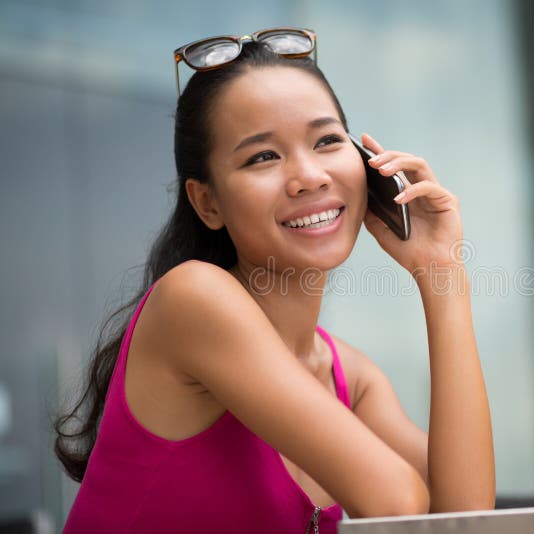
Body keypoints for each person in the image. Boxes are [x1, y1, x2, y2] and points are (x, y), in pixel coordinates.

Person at [55, 27, 495, 533]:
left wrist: (442, 273)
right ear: (208, 203)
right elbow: (398, 504)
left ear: (367, 165)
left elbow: (467, 520)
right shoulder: (193, 298)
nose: (309, 176)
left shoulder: (348, 374)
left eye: (327, 140)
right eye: (263, 156)